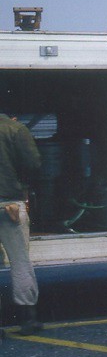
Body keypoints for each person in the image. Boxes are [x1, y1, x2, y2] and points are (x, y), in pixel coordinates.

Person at [0, 111, 43, 335]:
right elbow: (33, 164)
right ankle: (29, 319)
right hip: (10, 205)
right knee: (20, 262)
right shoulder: (15, 129)